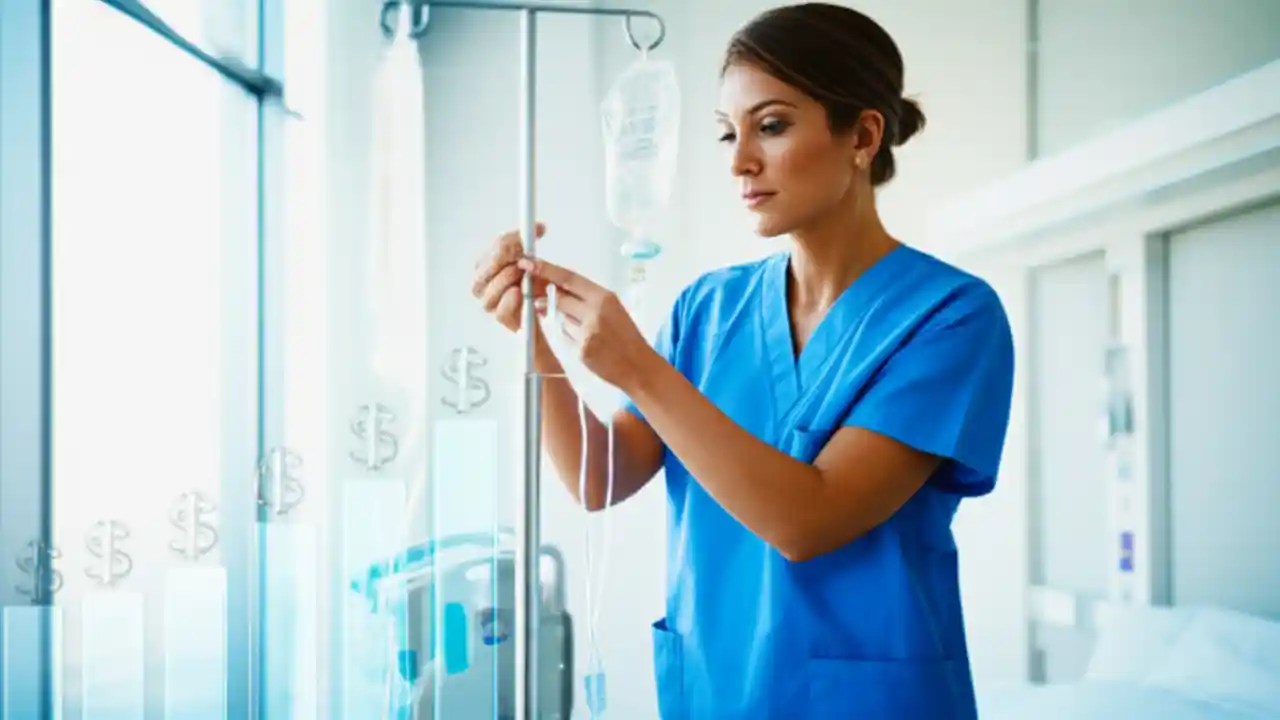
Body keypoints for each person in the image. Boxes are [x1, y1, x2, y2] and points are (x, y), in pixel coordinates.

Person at [470, 3, 1014, 718]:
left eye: (772, 125)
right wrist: (534, 335)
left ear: (863, 135)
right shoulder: (709, 309)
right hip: (718, 689)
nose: (739, 161)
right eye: (729, 133)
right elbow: (600, 475)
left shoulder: (949, 317)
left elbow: (807, 522)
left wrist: (637, 368)